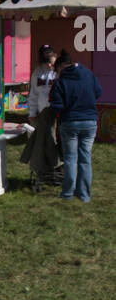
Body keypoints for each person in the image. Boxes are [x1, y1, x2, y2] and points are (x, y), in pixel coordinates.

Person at [49, 51, 101, 202]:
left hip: (69, 122)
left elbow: (56, 105)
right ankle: (84, 195)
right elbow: (98, 92)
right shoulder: (89, 74)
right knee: (85, 159)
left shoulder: (60, 82)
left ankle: (67, 194)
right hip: (90, 121)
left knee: (71, 159)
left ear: (60, 67)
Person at [21, 43, 61, 188]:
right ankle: (44, 171)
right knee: (43, 142)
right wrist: (32, 113)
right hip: (43, 113)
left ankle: (55, 169)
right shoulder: (37, 73)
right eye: (47, 63)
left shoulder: (59, 72)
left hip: (57, 112)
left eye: (52, 63)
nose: (50, 66)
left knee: (54, 142)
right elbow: (33, 95)